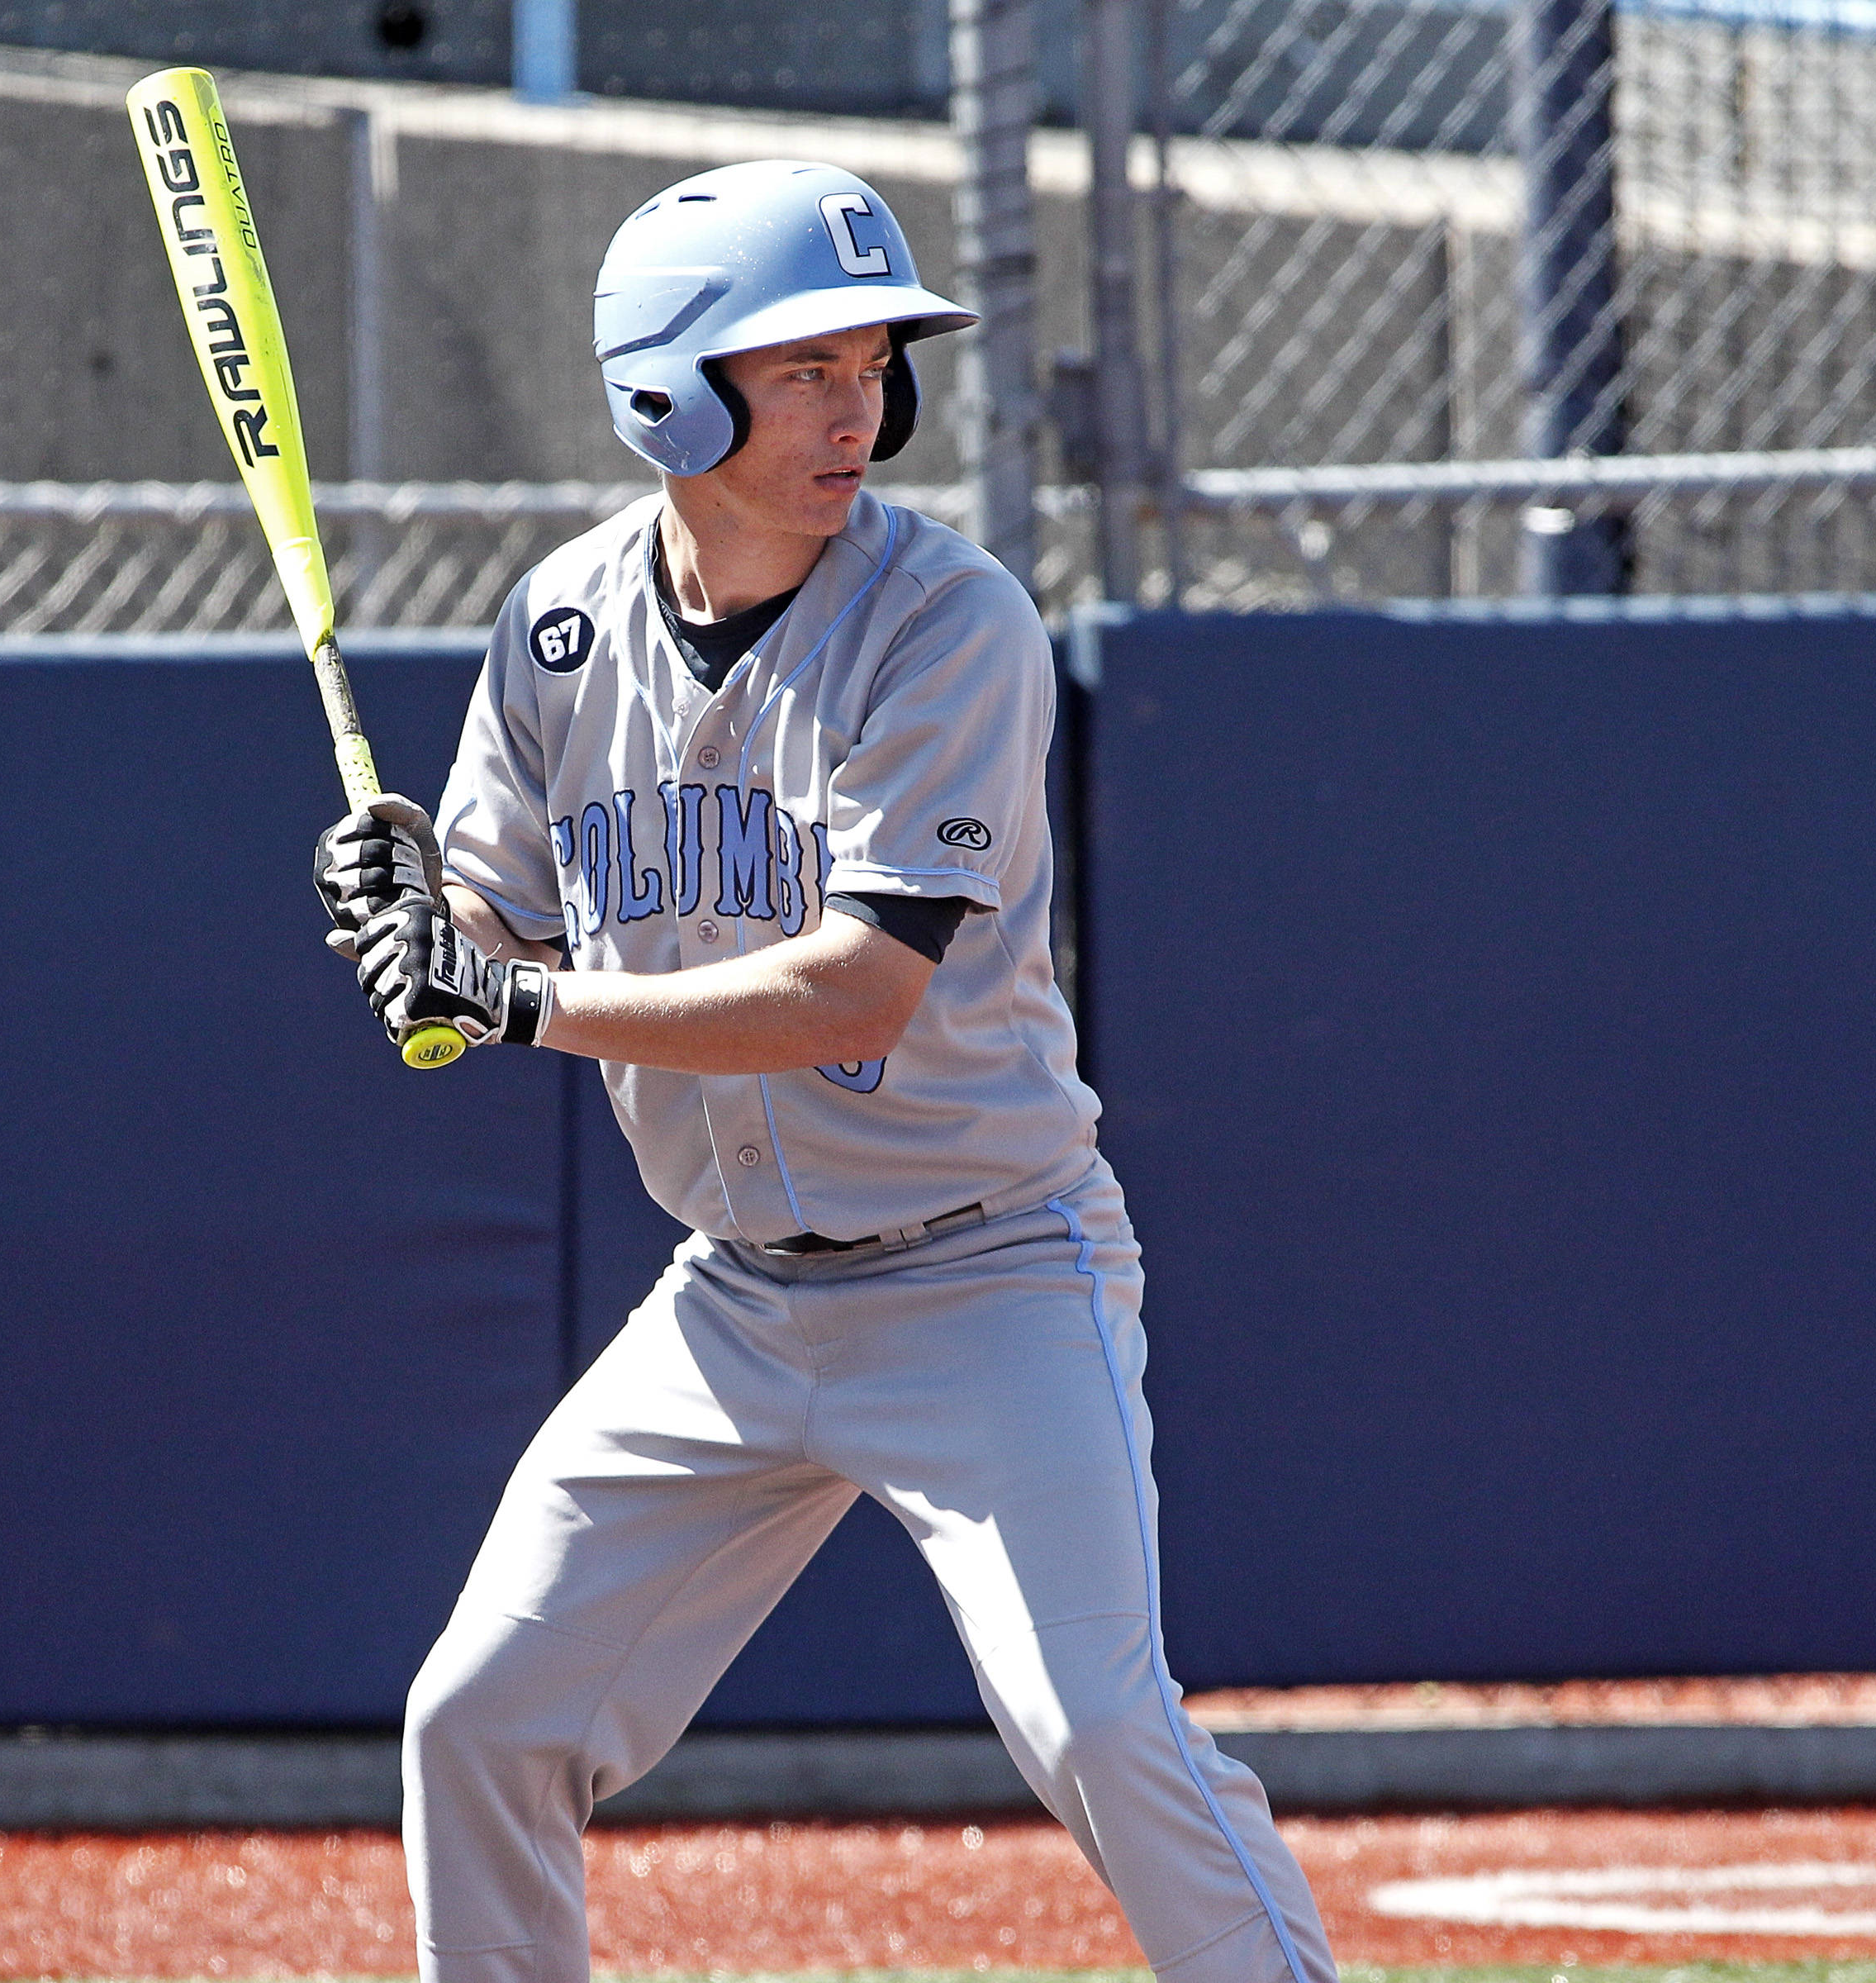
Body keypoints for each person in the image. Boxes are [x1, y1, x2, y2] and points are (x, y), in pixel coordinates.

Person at [313, 159, 1339, 1983]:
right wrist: (411, 912)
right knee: (479, 1719)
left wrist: (516, 999)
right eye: (801, 370)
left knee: (1099, 1728)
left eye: (872, 366)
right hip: (731, 1301)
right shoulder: (559, 625)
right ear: (666, 393)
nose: (857, 410)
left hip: (989, 1275)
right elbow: (490, 933)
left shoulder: (952, 620)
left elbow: (854, 993)